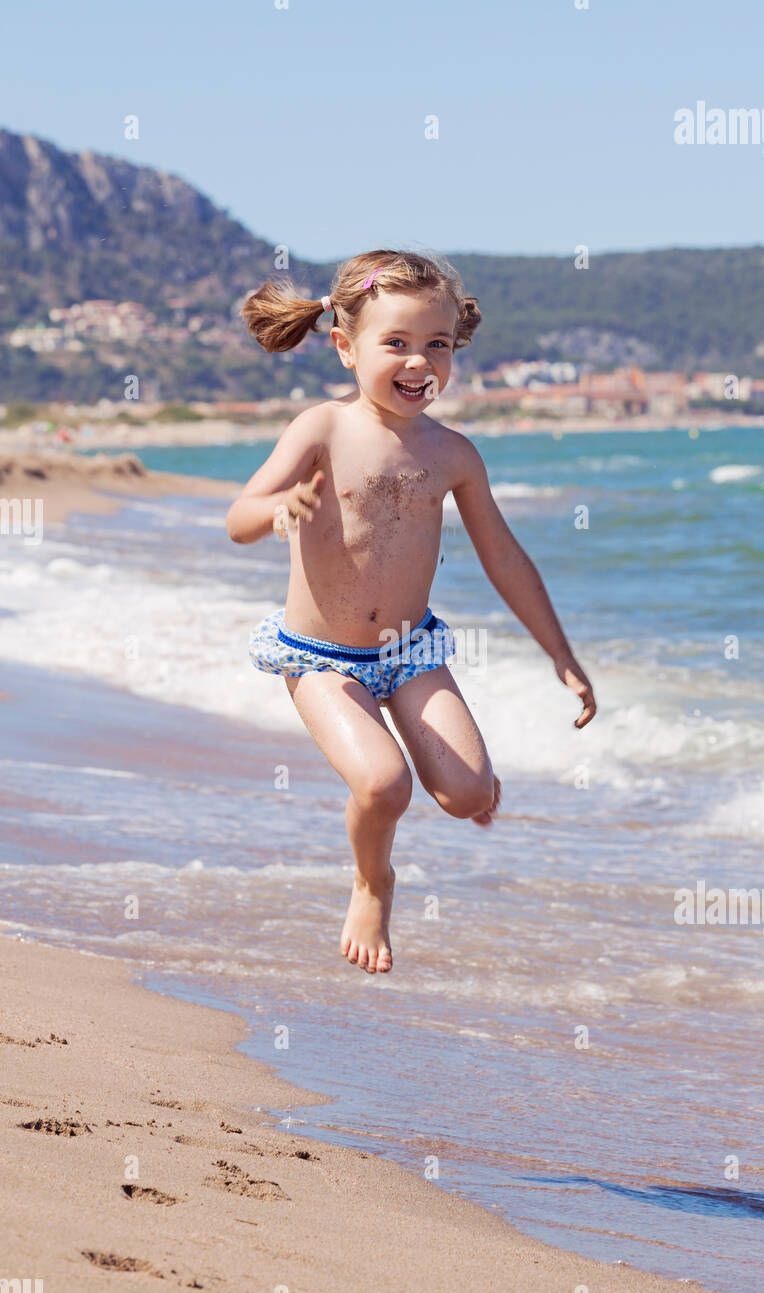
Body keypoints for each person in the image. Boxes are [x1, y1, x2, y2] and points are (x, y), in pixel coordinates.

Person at [227, 249, 596, 975]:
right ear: (345, 346)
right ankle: (372, 882)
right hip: (321, 657)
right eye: (395, 343)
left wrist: (561, 654)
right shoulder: (320, 430)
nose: (418, 361)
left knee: (466, 795)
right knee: (383, 783)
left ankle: (469, 786)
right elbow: (239, 516)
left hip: (409, 652)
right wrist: (282, 509)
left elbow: (505, 558)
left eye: (437, 345)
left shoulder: (454, 454)